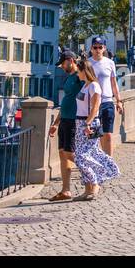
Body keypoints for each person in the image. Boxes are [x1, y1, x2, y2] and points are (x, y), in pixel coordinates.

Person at [72, 57, 120, 199]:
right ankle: (88, 190)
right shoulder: (85, 85)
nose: (77, 74)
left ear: (84, 71)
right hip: (80, 123)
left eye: (78, 71)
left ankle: (98, 178)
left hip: (88, 124)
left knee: (81, 157)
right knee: (90, 153)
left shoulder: (94, 86)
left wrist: (87, 123)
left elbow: (95, 107)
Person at [47, 50, 84, 200]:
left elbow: (89, 92)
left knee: (70, 152)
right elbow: (65, 103)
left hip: (74, 120)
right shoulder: (69, 78)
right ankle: (66, 190)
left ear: (70, 60)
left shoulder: (79, 76)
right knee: (63, 153)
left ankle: (91, 172)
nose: (61, 67)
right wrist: (56, 123)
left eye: (63, 63)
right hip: (65, 119)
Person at [87, 36, 123, 157]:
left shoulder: (110, 63)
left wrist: (118, 100)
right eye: (95, 47)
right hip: (92, 104)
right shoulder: (87, 64)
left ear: (104, 48)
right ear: (91, 48)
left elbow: (114, 83)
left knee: (107, 134)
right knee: (94, 136)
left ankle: (109, 162)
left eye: (100, 47)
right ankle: (96, 163)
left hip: (107, 102)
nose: (97, 49)